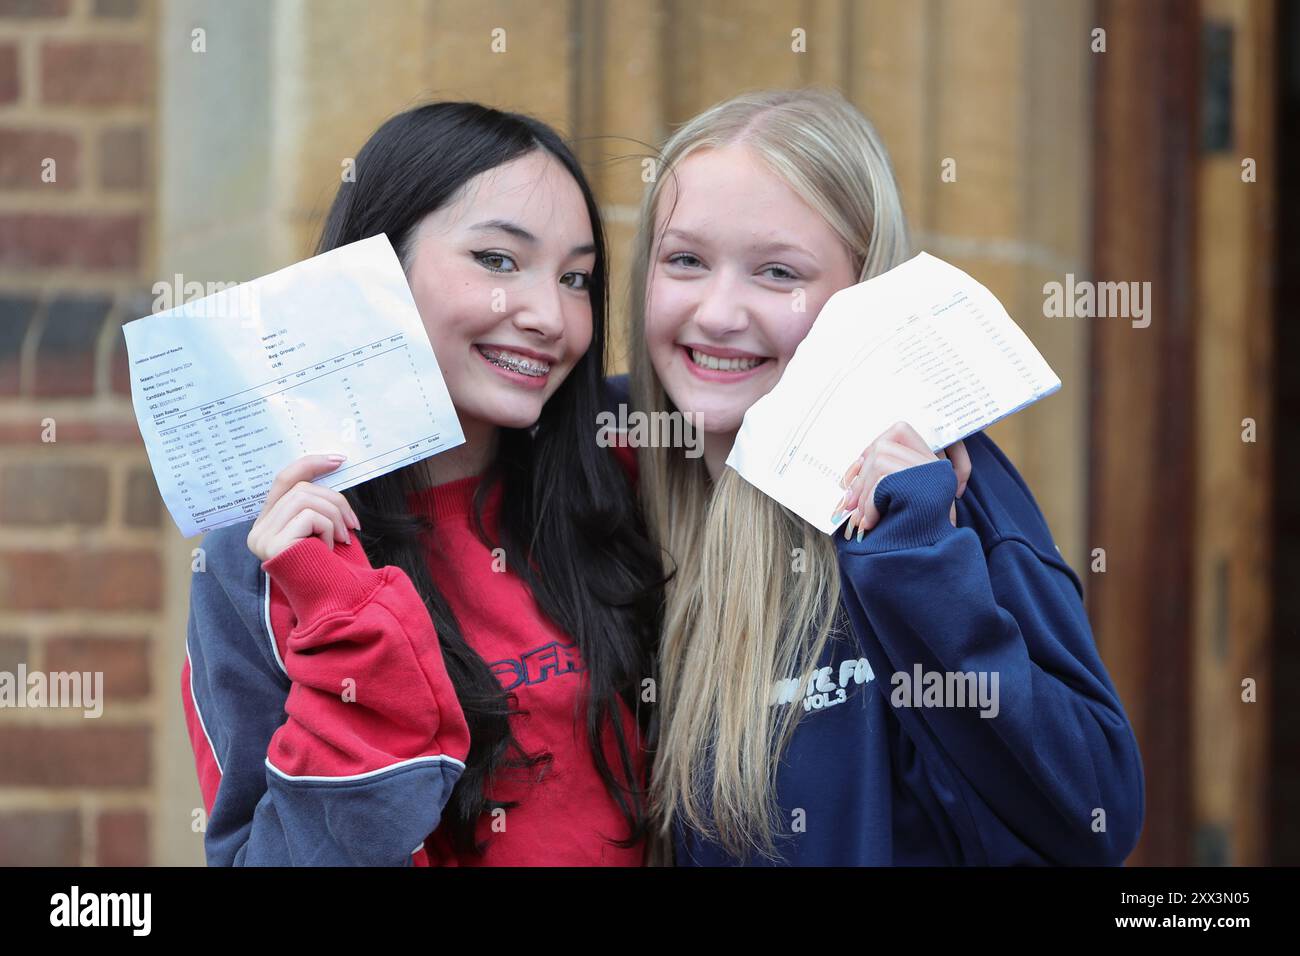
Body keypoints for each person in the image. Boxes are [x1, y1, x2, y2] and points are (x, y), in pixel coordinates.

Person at [623, 88, 1145, 865]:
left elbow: (1096, 811)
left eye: (776, 272)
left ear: (865, 296)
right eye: (686, 261)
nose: (719, 313)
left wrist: (918, 566)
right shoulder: (603, 463)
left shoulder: (949, 498)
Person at [183, 102, 663, 866]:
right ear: (372, 269)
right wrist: (345, 627)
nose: (550, 316)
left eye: (576, 278)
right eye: (499, 261)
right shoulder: (265, 555)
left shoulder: (626, 467)